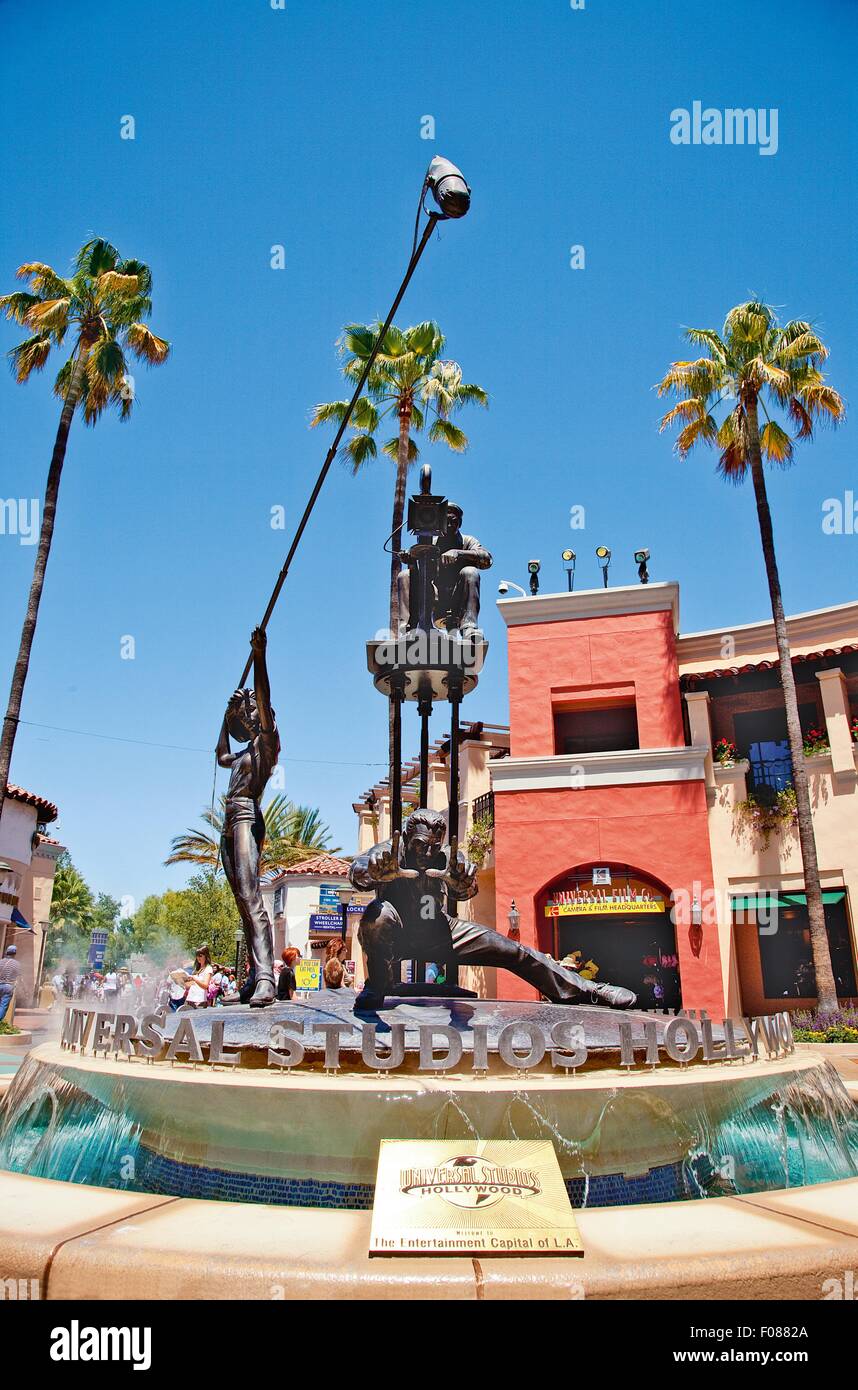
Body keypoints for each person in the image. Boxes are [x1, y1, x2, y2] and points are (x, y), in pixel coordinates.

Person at [350, 808, 637, 1011]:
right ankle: (378, 985)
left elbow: (466, 889)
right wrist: (372, 873)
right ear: (409, 838)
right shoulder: (388, 853)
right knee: (378, 915)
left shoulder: (447, 858)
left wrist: (463, 883)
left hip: (439, 933)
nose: (427, 853)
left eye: (434, 847)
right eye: (420, 845)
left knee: (514, 951)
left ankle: (589, 992)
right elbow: (358, 871)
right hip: (397, 936)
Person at [217, 627, 281, 1008]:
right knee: (242, 901)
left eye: (254, 710)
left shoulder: (266, 746)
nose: (252, 711)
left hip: (245, 819)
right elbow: (220, 754)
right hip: (228, 824)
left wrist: (260, 656)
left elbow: (263, 695)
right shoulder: (241, 755)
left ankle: (266, 979)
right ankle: (251, 980)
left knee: (252, 897)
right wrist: (226, 720)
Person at [0, 945, 21, 1023]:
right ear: (14, 953)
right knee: (3, 1006)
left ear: (6, 952)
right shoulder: (16, 964)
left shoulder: (1, 961)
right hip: (8, 987)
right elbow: (19, 977)